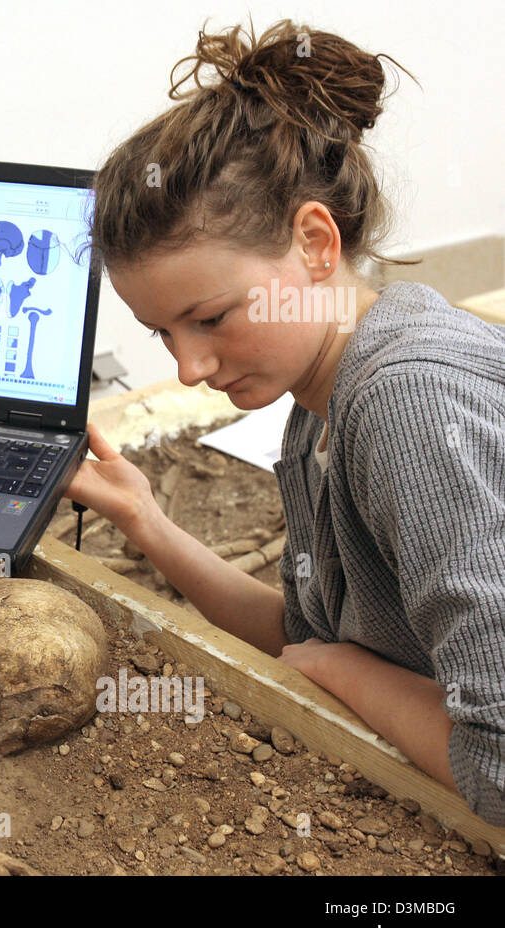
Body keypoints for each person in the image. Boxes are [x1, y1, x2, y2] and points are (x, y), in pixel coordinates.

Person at [66, 20, 505, 825]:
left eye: (210, 318)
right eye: (164, 333)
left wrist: (344, 673)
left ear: (312, 242)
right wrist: (144, 520)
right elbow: (303, 633)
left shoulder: (406, 403)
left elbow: (501, 765)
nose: (188, 368)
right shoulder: (316, 400)